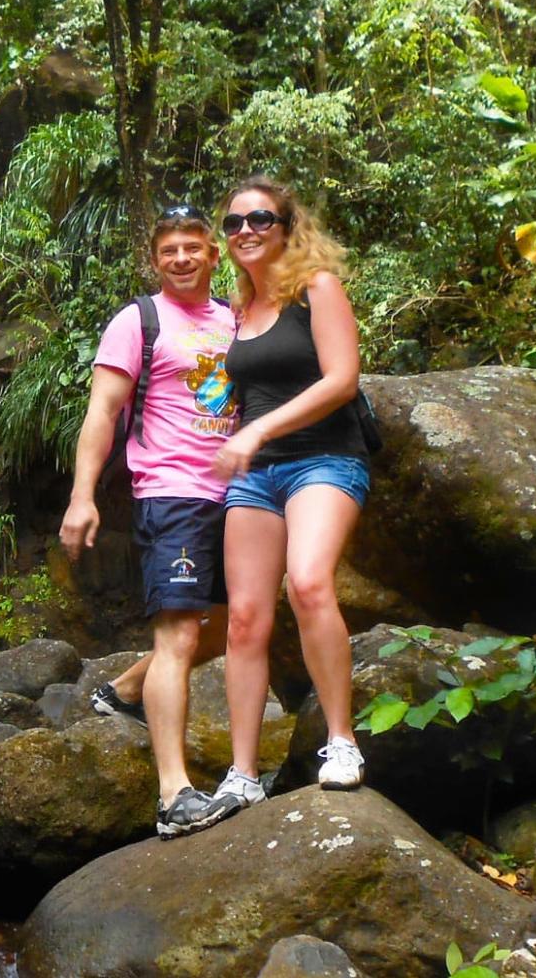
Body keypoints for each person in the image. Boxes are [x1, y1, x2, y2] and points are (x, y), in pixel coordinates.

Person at [186, 175, 369, 832]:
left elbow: (343, 379)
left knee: (311, 583)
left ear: (287, 228)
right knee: (243, 620)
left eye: (260, 219)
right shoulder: (238, 313)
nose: (245, 233)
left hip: (325, 458)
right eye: (233, 224)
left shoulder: (315, 288)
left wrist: (261, 428)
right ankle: (241, 774)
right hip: (256, 475)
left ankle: (342, 742)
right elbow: (222, 398)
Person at [60, 205, 238, 839]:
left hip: (239, 496)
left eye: (194, 247)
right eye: (170, 250)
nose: (182, 258)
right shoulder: (139, 321)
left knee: (233, 629)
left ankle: (127, 690)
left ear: (214, 255)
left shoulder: (239, 321)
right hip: (172, 492)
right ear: (155, 259)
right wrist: (84, 497)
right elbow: (103, 411)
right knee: (181, 635)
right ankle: (174, 795)